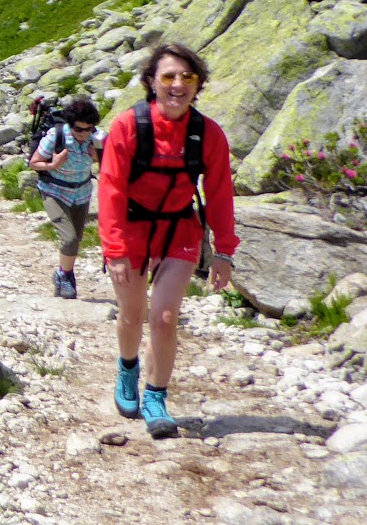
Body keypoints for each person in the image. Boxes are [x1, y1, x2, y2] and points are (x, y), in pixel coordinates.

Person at [98, 43, 237, 438]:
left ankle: (156, 396)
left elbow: (221, 192)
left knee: (164, 316)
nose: (179, 85)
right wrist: (115, 249)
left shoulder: (207, 134)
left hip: (180, 230)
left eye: (187, 77)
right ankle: (128, 369)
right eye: (169, 76)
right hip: (131, 230)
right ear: (151, 83)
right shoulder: (128, 126)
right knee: (132, 315)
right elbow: (109, 189)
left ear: (198, 84)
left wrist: (224, 250)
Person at [28, 96, 104, 300]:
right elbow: (34, 163)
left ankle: (62, 273)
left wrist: (98, 157)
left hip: (82, 192)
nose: (83, 133)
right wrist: (53, 164)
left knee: (76, 239)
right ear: (70, 125)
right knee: (69, 238)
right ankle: (66, 276)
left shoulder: (95, 139)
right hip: (54, 191)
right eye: (79, 129)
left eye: (88, 128)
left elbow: (110, 166)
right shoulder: (56, 135)